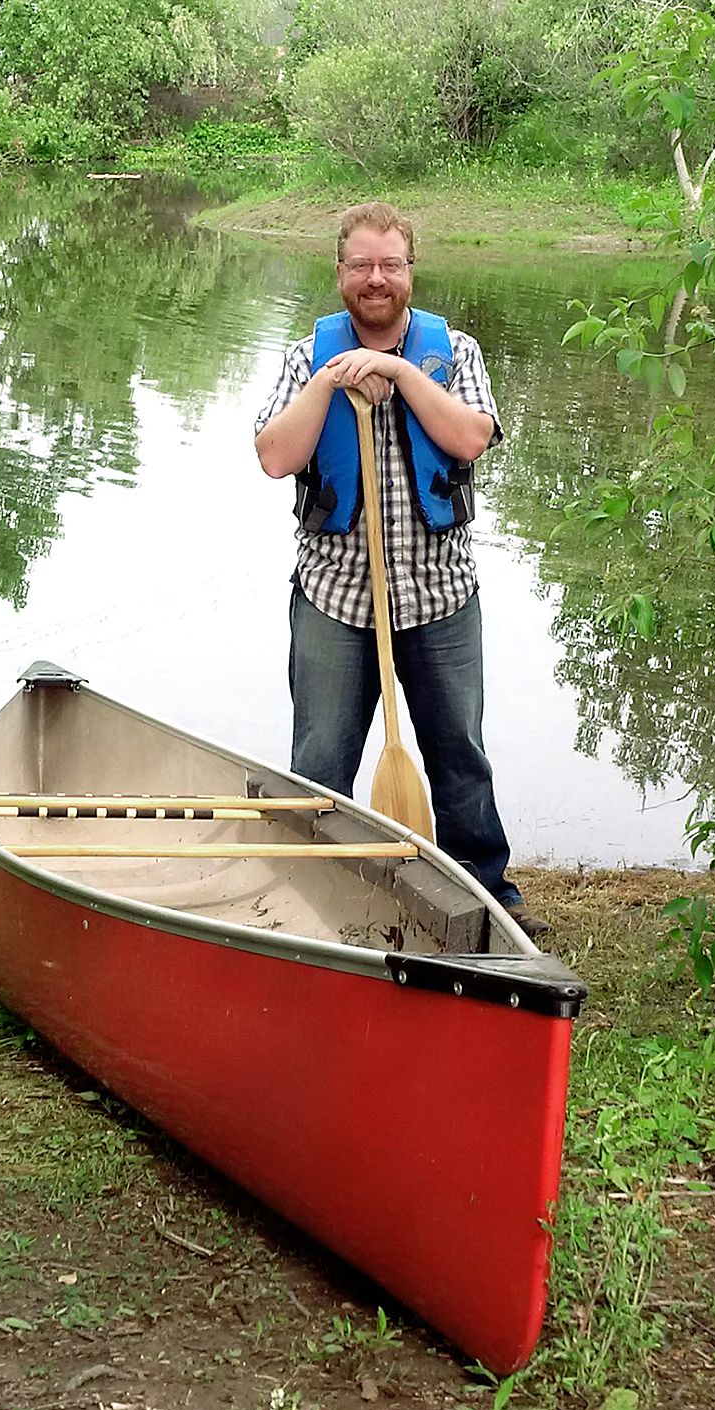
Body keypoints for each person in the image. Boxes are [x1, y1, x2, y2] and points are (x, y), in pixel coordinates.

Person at [252, 202, 548, 940]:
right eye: (361, 265)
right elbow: (274, 456)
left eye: (390, 264)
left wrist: (394, 371)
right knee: (318, 760)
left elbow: (471, 438)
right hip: (334, 595)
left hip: (440, 595)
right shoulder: (303, 356)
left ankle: (486, 897)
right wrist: (331, 382)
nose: (376, 278)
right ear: (341, 272)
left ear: (410, 270)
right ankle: (308, 896)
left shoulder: (458, 352)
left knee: (459, 755)